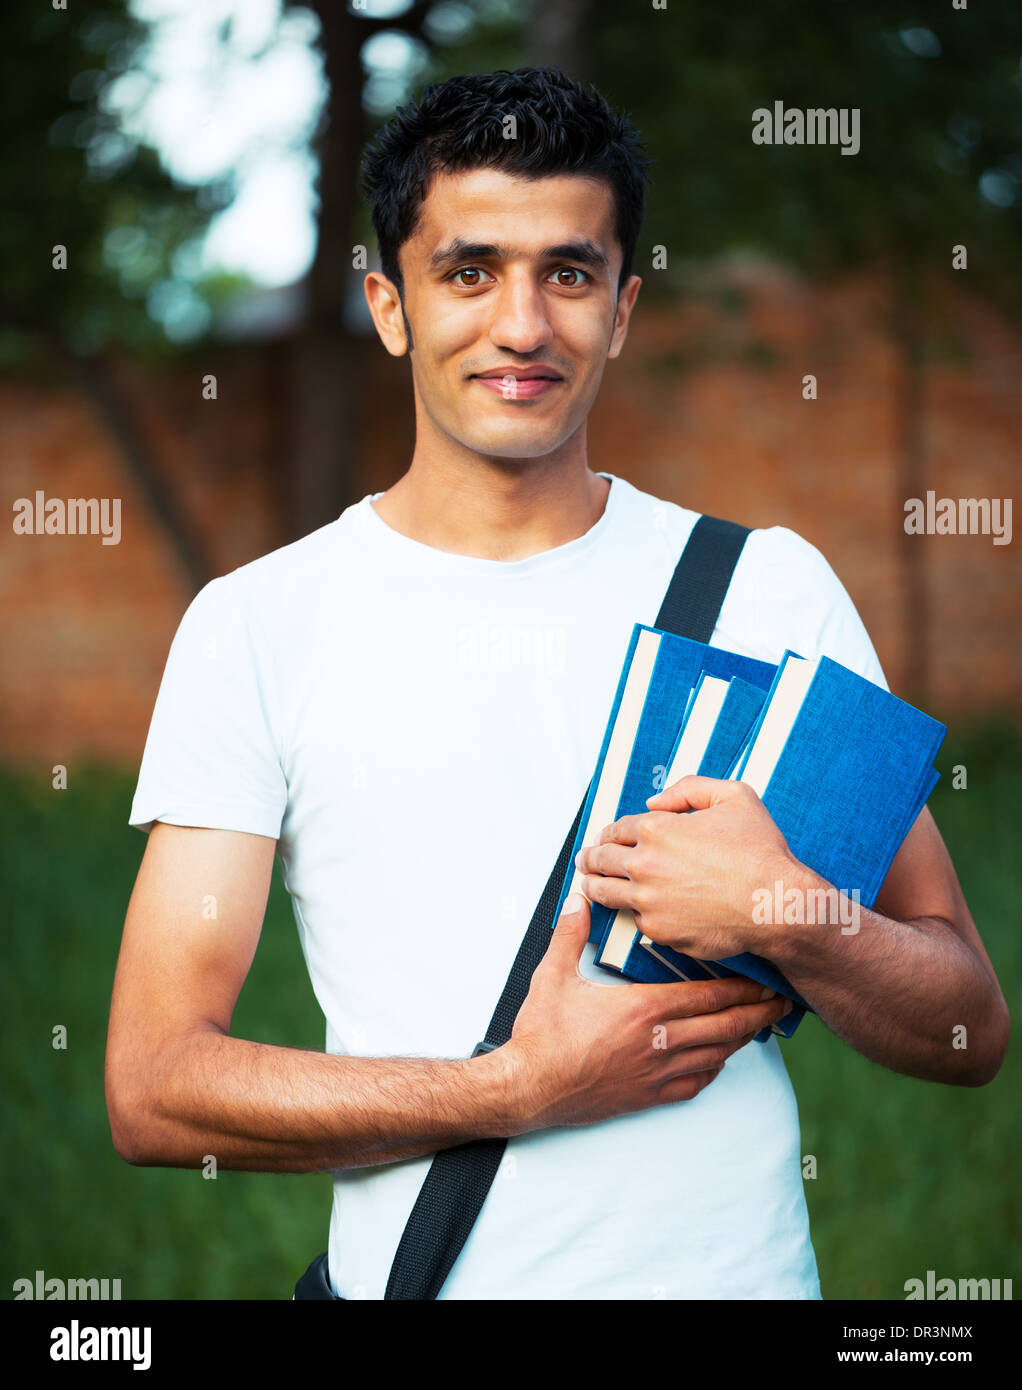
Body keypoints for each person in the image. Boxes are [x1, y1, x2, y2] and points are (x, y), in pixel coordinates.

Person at [106, 66, 1008, 1301]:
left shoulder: (765, 589)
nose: (522, 325)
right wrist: (519, 1089)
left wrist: (787, 908)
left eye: (568, 274)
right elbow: (154, 1085)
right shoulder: (257, 626)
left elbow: (964, 1026)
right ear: (389, 304)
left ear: (622, 308)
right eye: (468, 272)